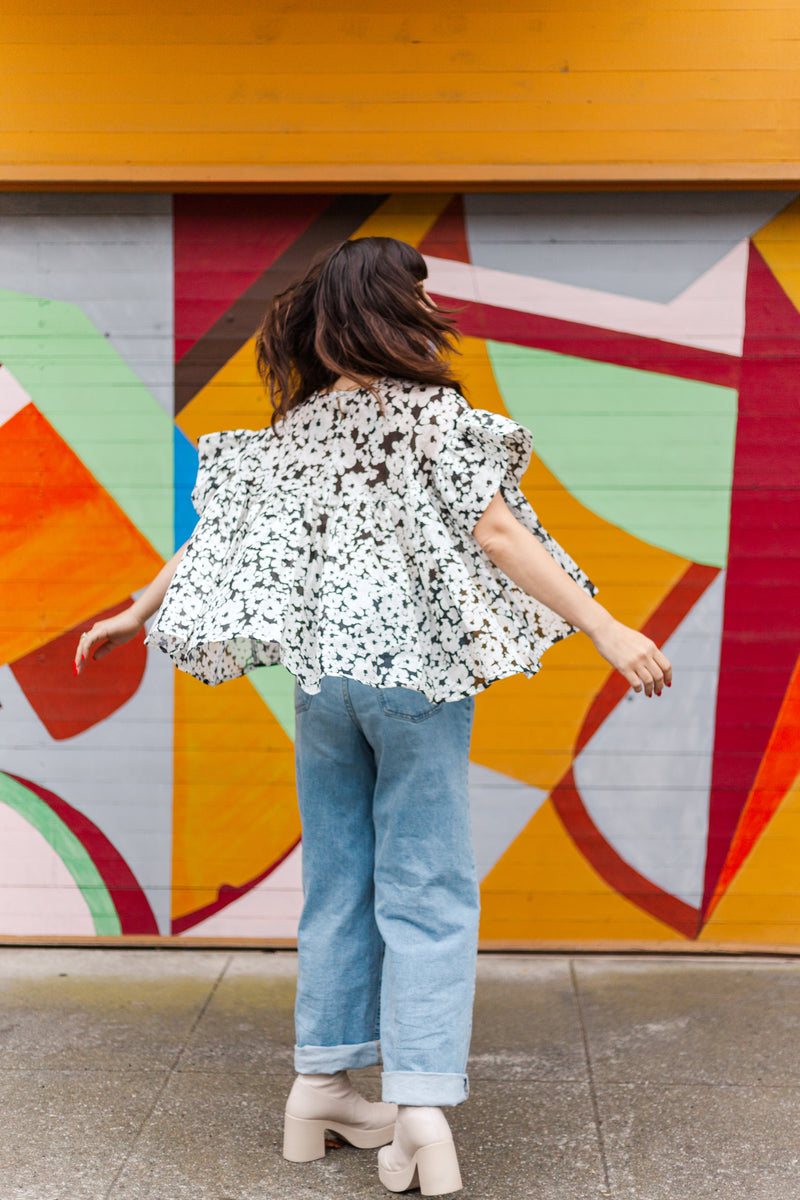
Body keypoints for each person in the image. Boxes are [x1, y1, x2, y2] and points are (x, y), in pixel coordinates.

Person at [74, 237, 671, 1196]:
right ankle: (419, 1110)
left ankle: (320, 1088)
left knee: (339, 881)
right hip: (416, 683)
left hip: (323, 687)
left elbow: (217, 542)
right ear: (397, 308)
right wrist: (606, 627)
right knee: (427, 886)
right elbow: (498, 532)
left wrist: (136, 610)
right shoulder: (436, 419)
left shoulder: (303, 425)